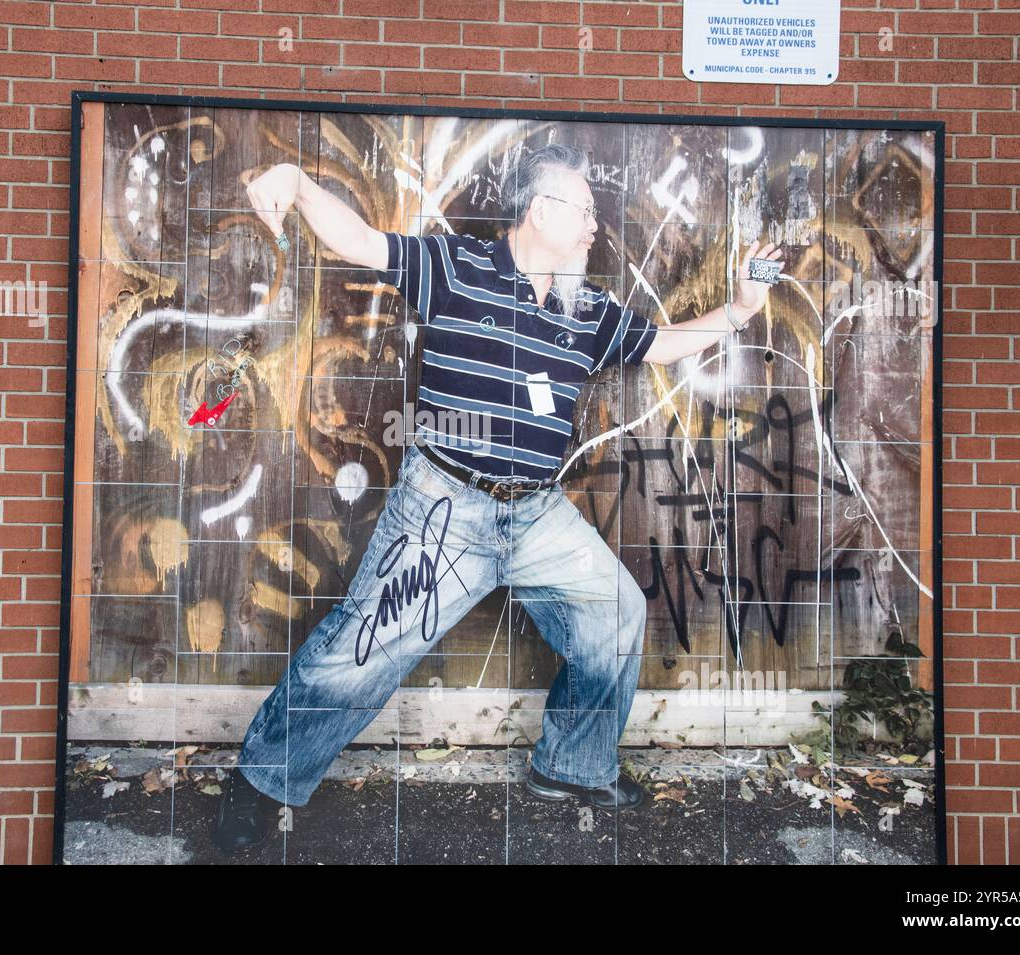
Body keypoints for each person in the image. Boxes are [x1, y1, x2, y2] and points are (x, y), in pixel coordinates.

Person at [214, 142, 783, 852]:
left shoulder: (587, 310)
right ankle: (262, 783)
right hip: (443, 510)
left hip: (536, 512)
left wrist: (737, 309)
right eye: (584, 213)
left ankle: (572, 766)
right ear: (542, 210)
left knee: (615, 612)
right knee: (361, 652)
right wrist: (296, 182)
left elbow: (661, 344)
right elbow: (361, 242)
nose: (593, 229)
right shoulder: (454, 266)